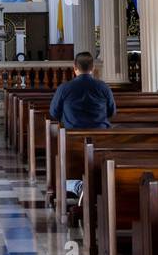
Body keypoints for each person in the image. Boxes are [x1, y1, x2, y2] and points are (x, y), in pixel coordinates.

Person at [49, 52, 116, 198]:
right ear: (92, 68)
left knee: (68, 166)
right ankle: (96, 185)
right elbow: (112, 111)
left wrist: (66, 118)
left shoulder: (64, 88)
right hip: (102, 138)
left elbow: (53, 112)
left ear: (75, 68)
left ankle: (76, 185)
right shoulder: (103, 87)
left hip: (73, 138)